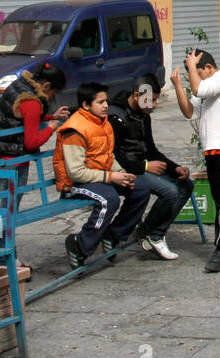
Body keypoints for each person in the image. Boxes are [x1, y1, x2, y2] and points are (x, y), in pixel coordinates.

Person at [52, 82, 151, 270]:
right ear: (86, 105)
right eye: (100, 102)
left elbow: (108, 156)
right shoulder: (76, 129)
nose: (106, 106)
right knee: (109, 199)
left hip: (100, 176)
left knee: (141, 188)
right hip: (75, 183)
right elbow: (75, 171)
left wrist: (121, 173)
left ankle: (114, 234)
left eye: (106, 101)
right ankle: (79, 245)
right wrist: (110, 178)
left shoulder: (103, 123)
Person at [171, 49, 220, 273]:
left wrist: (192, 65)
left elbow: (198, 88)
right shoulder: (205, 90)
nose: (194, 78)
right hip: (214, 152)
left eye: (197, 72)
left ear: (208, 68)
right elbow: (189, 111)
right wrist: (178, 84)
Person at [109, 74, 192, 261]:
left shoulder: (143, 116)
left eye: (156, 100)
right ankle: (151, 235)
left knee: (186, 184)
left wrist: (175, 168)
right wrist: (145, 166)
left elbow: (152, 150)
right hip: (126, 171)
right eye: (151, 100)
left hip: (143, 167)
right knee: (170, 191)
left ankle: (151, 233)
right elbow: (115, 156)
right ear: (137, 96)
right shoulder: (116, 116)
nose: (154, 105)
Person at [0, 64, 71, 210]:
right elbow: (31, 142)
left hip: (0, 153)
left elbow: (20, 118)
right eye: (53, 93)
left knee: (7, 202)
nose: (52, 98)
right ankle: (2, 233)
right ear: (47, 86)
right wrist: (50, 129)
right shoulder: (32, 102)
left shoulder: (20, 86)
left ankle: (2, 232)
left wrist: (51, 116)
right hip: (14, 159)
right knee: (10, 207)